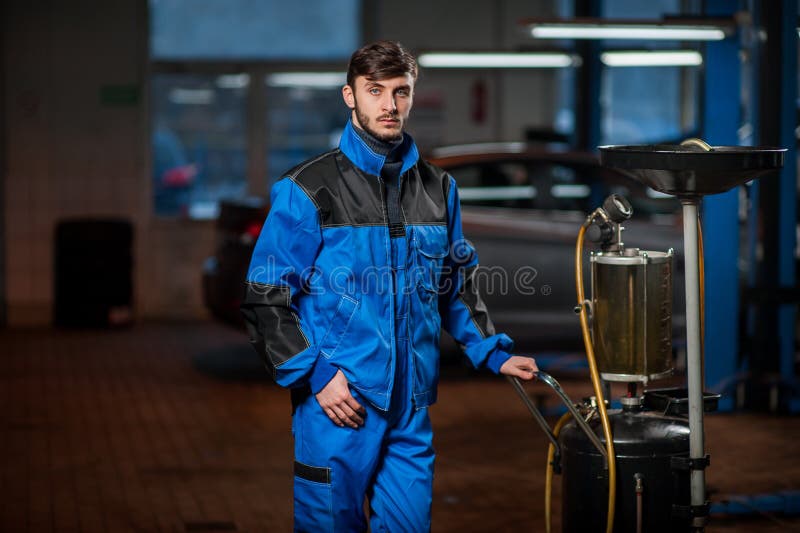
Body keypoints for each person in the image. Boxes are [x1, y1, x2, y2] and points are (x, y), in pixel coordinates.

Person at [241, 40, 538, 532]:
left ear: (412, 95)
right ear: (349, 96)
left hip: (411, 407)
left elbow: (453, 281)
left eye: (400, 92)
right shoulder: (309, 189)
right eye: (374, 91)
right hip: (340, 403)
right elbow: (265, 295)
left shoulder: (439, 190)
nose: (389, 104)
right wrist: (317, 376)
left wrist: (491, 351)